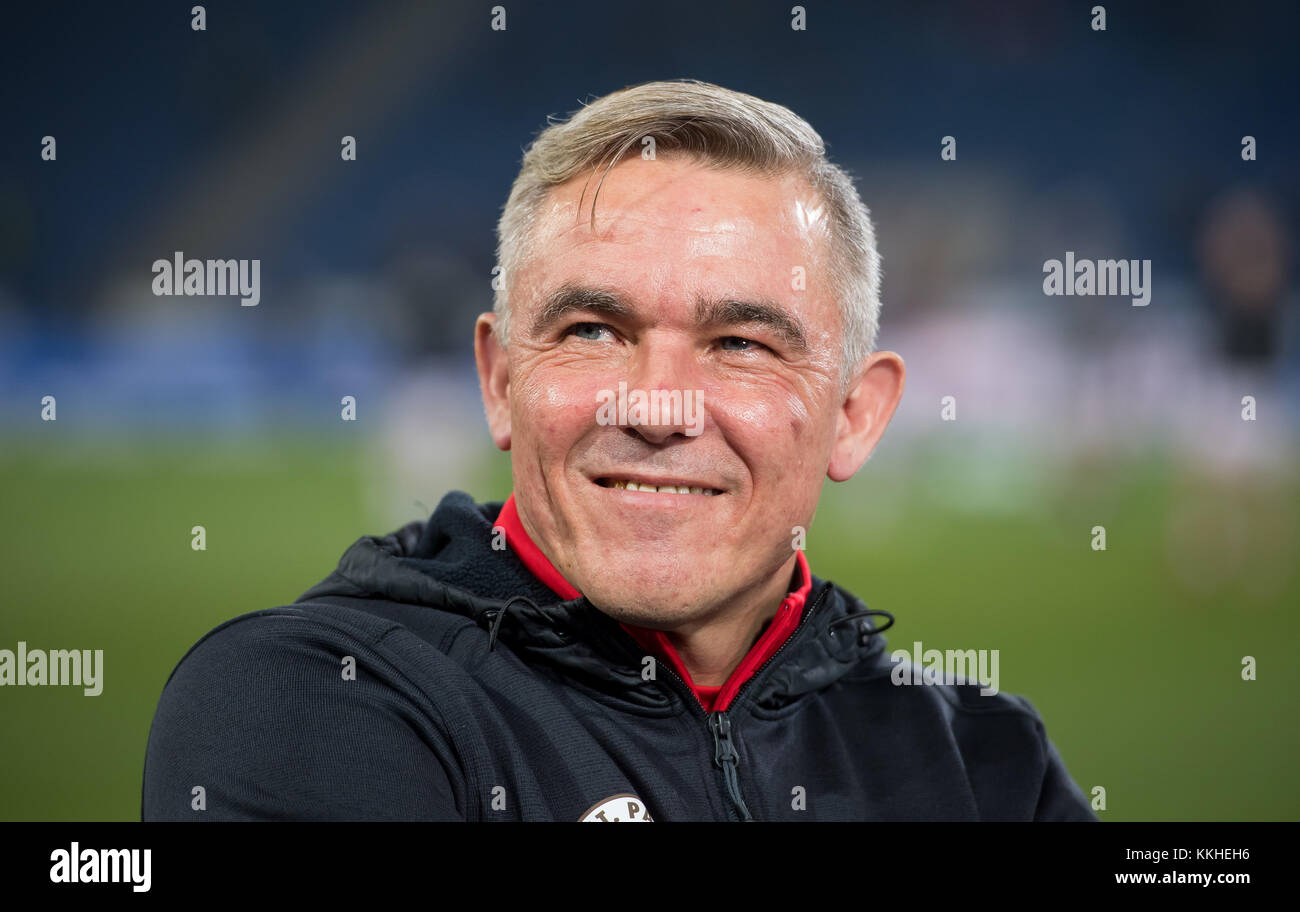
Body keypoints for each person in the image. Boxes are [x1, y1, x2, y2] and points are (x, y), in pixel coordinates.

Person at [142, 79, 1095, 821]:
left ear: (856, 414)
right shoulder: (311, 706)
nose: (658, 405)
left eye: (741, 345)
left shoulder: (985, 765)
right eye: (594, 330)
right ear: (499, 379)